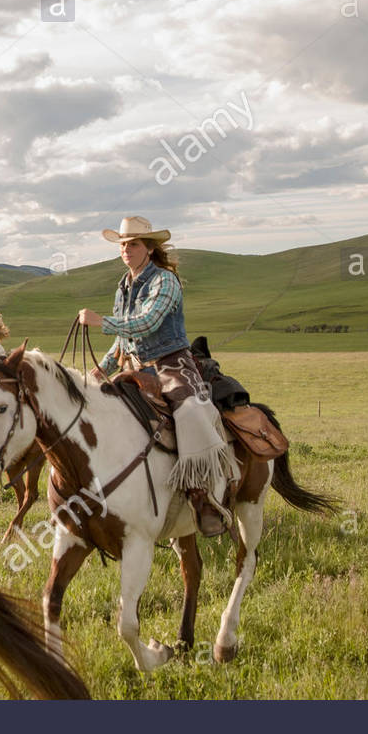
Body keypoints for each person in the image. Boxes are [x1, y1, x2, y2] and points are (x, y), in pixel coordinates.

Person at [77, 216, 237, 537]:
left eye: (133, 244)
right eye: (123, 244)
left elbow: (147, 322)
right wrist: (101, 369)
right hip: (133, 367)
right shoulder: (123, 285)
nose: (126, 249)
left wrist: (100, 321)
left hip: (171, 365)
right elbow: (124, 340)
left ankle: (201, 494)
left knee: (190, 411)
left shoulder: (165, 281)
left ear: (149, 248)